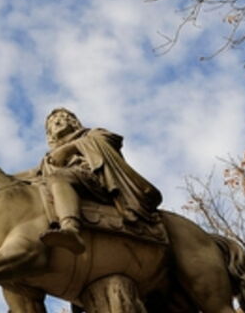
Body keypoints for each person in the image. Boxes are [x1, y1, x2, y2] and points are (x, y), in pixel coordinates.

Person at [35, 108, 162, 254]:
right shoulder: (48, 158)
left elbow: (106, 140)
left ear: (73, 122)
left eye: (62, 117)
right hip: (72, 184)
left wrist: (70, 148)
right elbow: (31, 175)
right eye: (51, 122)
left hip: (98, 181)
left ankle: (70, 228)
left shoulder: (92, 134)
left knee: (58, 177)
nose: (56, 121)